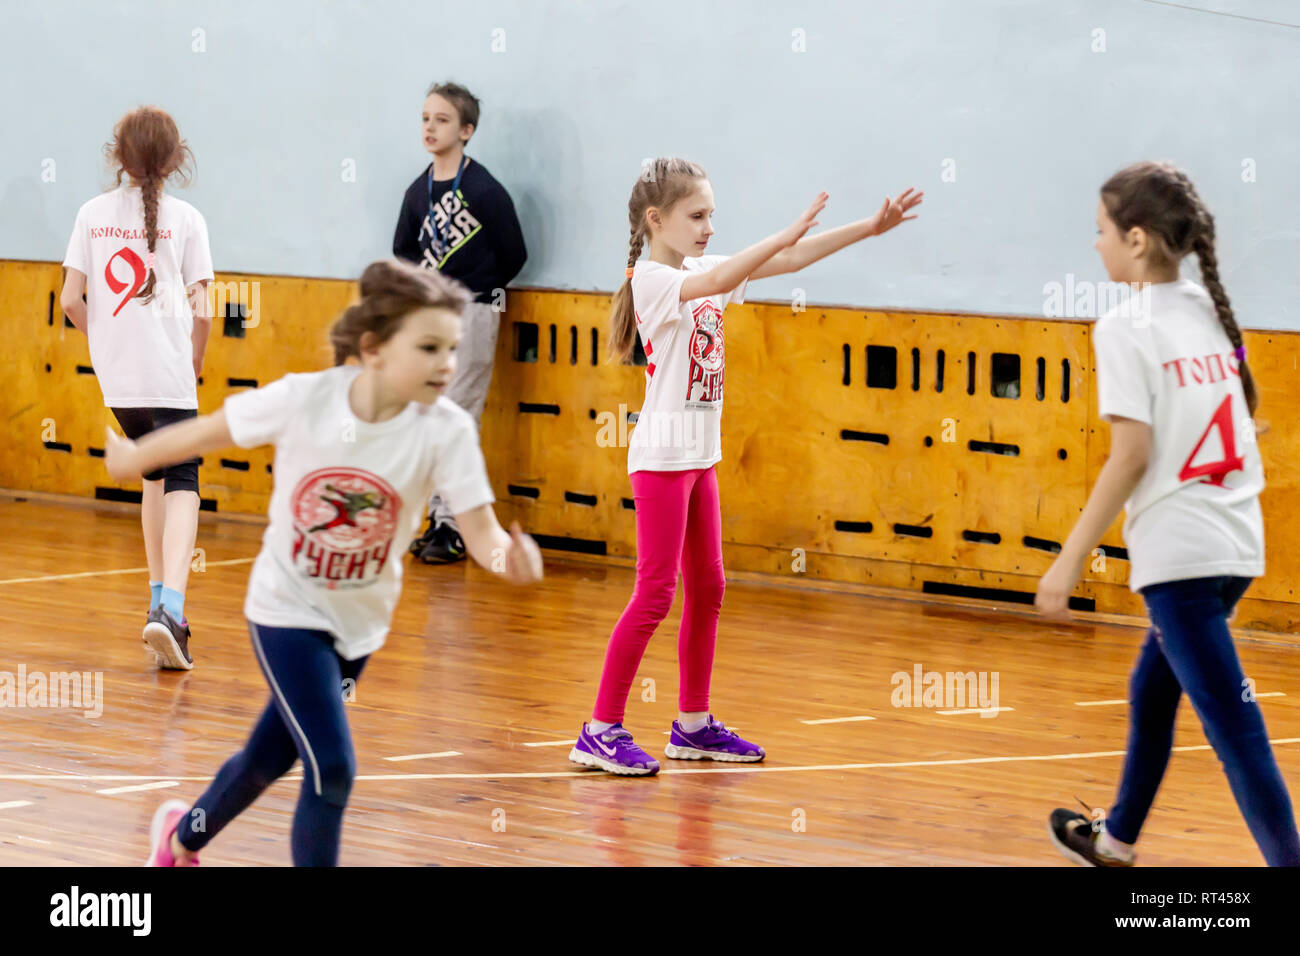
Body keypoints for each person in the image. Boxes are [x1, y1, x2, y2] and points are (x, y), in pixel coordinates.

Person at [111, 260, 543, 866]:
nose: (448, 363)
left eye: (452, 347)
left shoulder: (445, 430)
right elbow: (207, 433)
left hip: (359, 627)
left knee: (269, 758)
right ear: (373, 348)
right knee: (332, 769)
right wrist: (133, 458)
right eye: (428, 347)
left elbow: (482, 535)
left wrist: (511, 561)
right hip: (285, 611)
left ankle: (180, 840)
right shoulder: (307, 399)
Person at [570, 157, 922, 775]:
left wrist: (867, 228)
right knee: (655, 592)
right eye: (697, 215)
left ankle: (693, 725)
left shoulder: (704, 268)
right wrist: (778, 235)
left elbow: (783, 262)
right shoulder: (649, 279)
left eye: (712, 215)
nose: (709, 226)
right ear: (657, 219)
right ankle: (600, 728)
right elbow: (730, 273)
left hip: (700, 456)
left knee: (710, 587)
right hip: (660, 461)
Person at [1040, 162, 1299, 867]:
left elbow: (1130, 455)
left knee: (1237, 732)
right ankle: (1117, 840)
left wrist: (1068, 560)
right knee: (1152, 688)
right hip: (1236, 547)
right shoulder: (1207, 308)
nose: (1093, 246)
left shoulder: (1125, 326)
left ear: (1135, 238)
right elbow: (1236, 412)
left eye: (1099, 232)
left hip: (1180, 557)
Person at [60, 106, 213, 669]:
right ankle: (171, 607)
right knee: (183, 479)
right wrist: (195, 357)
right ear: (176, 160)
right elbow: (203, 308)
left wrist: (102, 340)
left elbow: (70, 300)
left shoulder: (89, 214)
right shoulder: (188, 219)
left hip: (119, 383)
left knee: (153, 475)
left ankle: (157, 601)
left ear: (116, 156)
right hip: (169, 378)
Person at [393, 80, 527, 564]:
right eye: (425, 118)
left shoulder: (484, 189)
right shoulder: (417, 191)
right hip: (431, 317)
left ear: (467, 130)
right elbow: (403, 252)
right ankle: (437, 519)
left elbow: (514, 252)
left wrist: (476, 289)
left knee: (459, 412)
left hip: (473, 309)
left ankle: (453, 526)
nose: (430, 127)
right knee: (430, 412)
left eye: (443, 120)